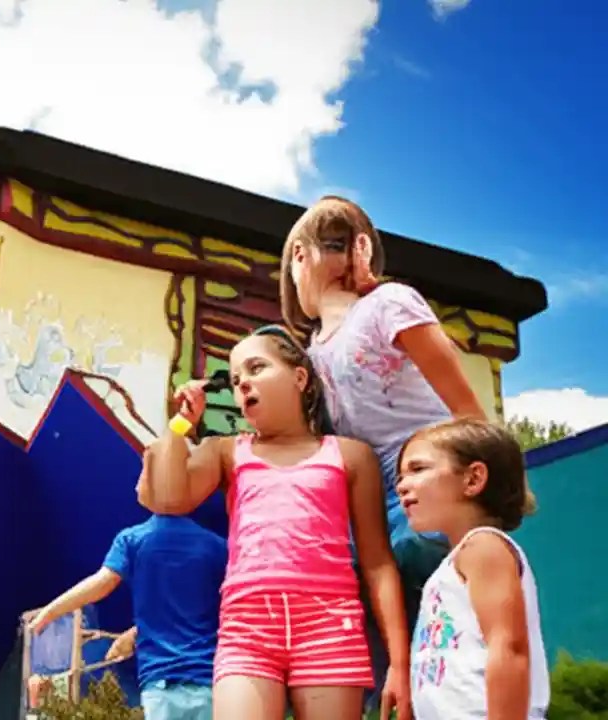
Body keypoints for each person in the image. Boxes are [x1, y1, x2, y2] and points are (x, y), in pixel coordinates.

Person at [142, 326, 411, 719]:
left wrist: (399, 665)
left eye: (256, 368)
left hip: (330, 624)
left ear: (300, 378)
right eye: (235, 380)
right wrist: (180, 424)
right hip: (247, 625)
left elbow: (378, 563)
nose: (243, 383)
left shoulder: (352, 456)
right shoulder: (226, 451)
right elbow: (168, 498)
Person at [280, 195, 488, 677]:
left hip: (430, 486)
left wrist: (490, 486)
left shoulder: (387, 305)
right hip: (372, 510)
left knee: (437, 598)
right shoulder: (312, 354)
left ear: (299, 258)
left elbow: (466, 408)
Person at [28, 465, 226, 720]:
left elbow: (102, 583)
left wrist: (50, 612)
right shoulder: (216, 546)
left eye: (144, 475)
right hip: (212, 680)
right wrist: (134, 634)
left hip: (161, 681)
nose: (136, 483)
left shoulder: (133, 539)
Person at [396, 418, 548, 718]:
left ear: (473, 479)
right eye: (400, 477)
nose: (402, 486)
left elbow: (509, 647)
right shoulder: (455, 562)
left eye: (418, 469)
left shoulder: (483, 547)